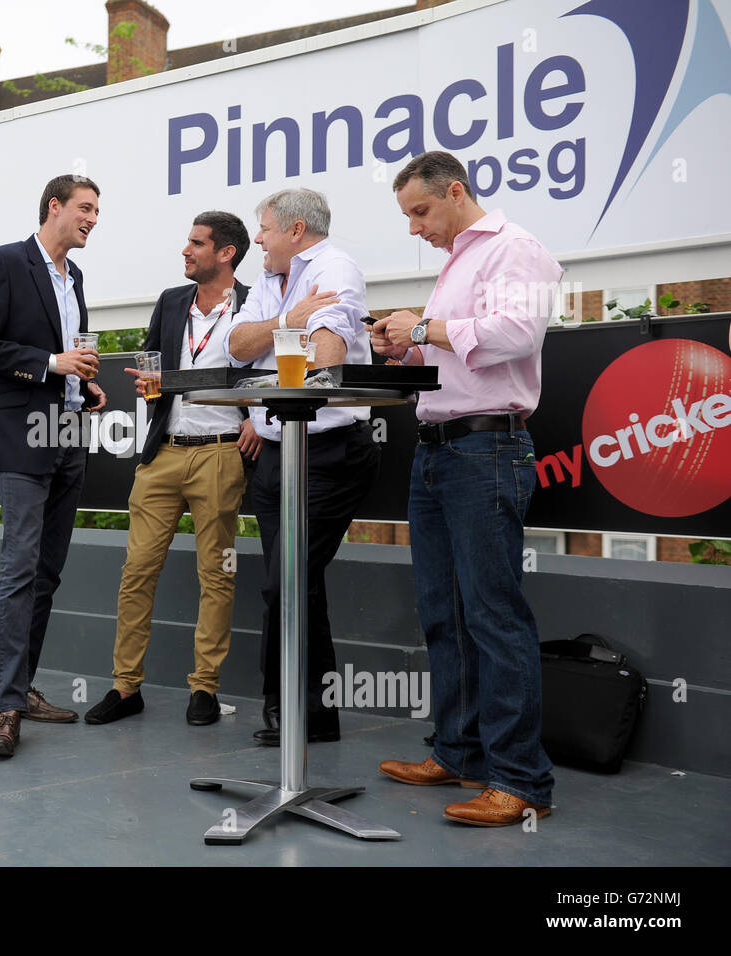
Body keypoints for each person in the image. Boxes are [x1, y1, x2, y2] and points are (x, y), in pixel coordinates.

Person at [371, 150, 559, 827]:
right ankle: (457, 752)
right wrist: (408, 346)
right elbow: (454, 349)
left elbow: (516, 333)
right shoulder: (458, 263)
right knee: (444, 615)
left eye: (421, 211)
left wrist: (423, 326)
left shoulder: (517, 250)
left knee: (493, 616)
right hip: (437, 453)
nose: (415, 228)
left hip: (486, 449)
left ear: (455, 192)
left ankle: (521, 781)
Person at [0, 174, 108, 757]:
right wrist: (50, 362)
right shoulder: (3, 263)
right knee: (19, 570)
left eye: (98, 211)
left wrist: (83, 387)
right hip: (22, 437)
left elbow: (69, 364)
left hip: (70, 430)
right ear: (55, 207)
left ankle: (22, 688)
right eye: (86, 208)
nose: (94, 218)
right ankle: (6, 710)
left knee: (47, 572)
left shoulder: (75, 280)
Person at [224, 189, 380, 746]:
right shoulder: (271, 277)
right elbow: (236, 346)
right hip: (272, 453)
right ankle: (308, 714)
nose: (256, 239)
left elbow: (327, 356)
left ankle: (291, 706)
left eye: (263, 229)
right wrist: (290, 318)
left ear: (294, 230)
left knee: (284, 580)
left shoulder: (336, 266)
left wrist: (285, 331)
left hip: (327, 455)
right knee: (294, 582)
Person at [84, 211, 253, 727]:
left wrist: (258, 420)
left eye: (197, 244)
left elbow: (270, 366)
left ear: (225, 253)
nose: (186, 250)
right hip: (163, 453)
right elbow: (153, 366)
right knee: (136, 573)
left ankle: (204, 689)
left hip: (223, 452)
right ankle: (125, 686)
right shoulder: (172, 300)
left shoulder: (255, 303)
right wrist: (148, 385)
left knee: (216, 576)